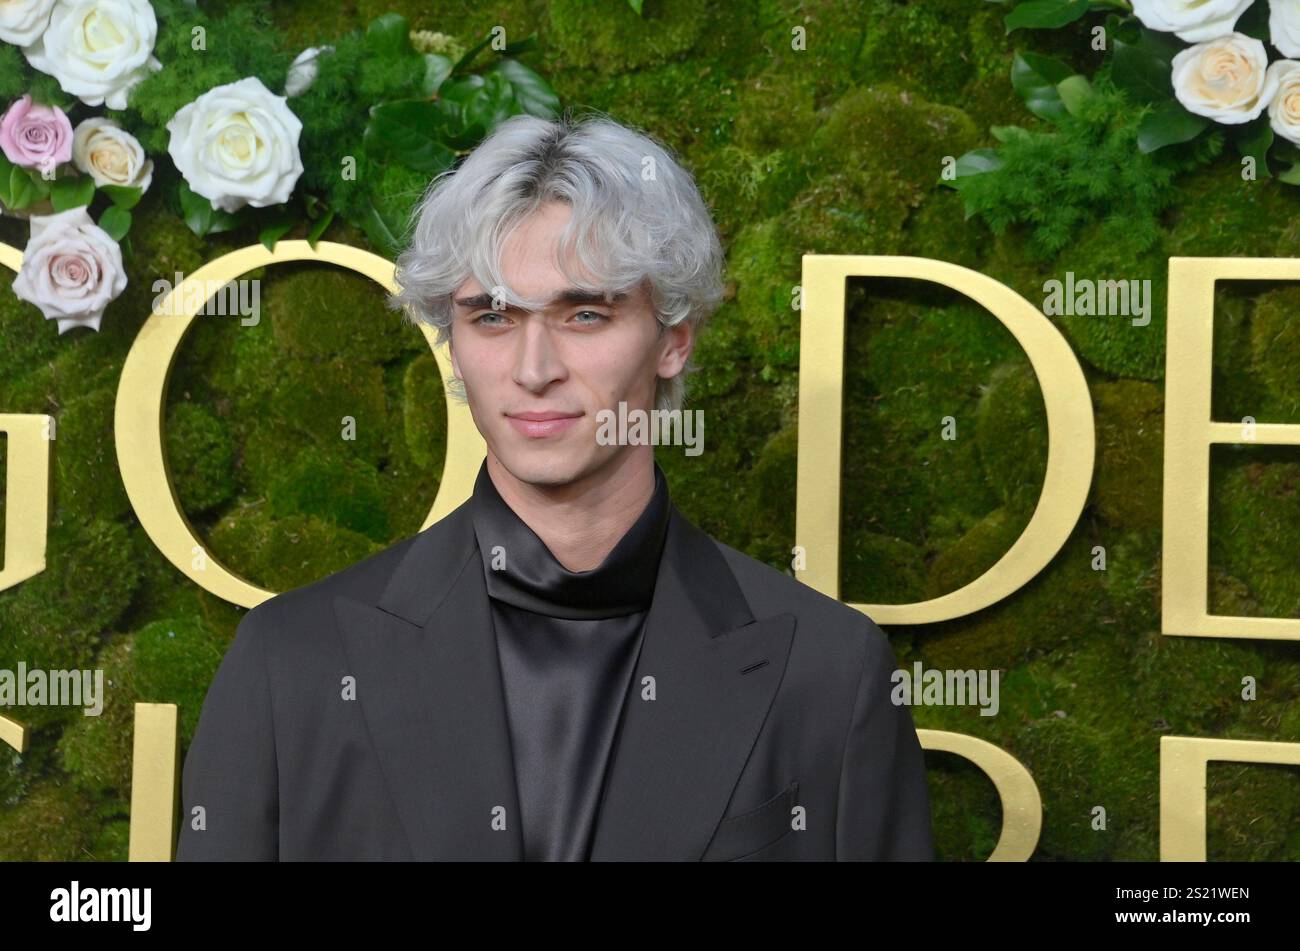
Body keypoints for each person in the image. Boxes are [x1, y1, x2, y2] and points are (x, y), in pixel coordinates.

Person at [175, 110, 933, 862]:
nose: (534, 369)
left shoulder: (833, 671)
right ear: (454, 339)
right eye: (494, 316)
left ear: (674, 338)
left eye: (585, 313)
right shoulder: (290, 661)